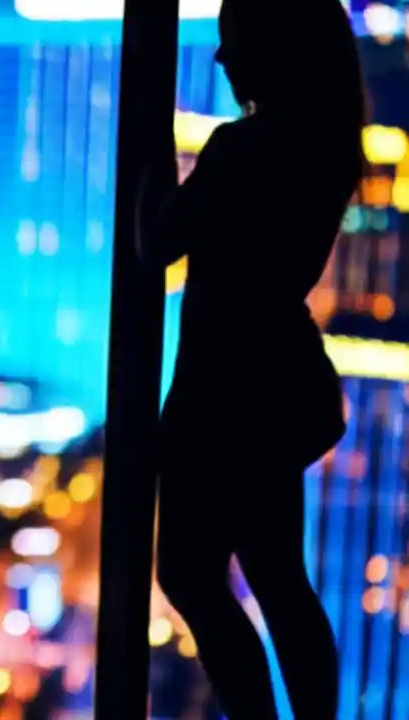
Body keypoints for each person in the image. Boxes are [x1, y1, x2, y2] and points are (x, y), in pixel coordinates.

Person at [137, 0, 367, 717]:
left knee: (192, 575)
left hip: (225, 389)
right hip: (279, 380)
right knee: (276, 580)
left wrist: (146, 154)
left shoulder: (244, 148)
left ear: (273, 48)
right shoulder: (323, 148)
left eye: (231, 42)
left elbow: (158, 242)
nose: (220, 59)